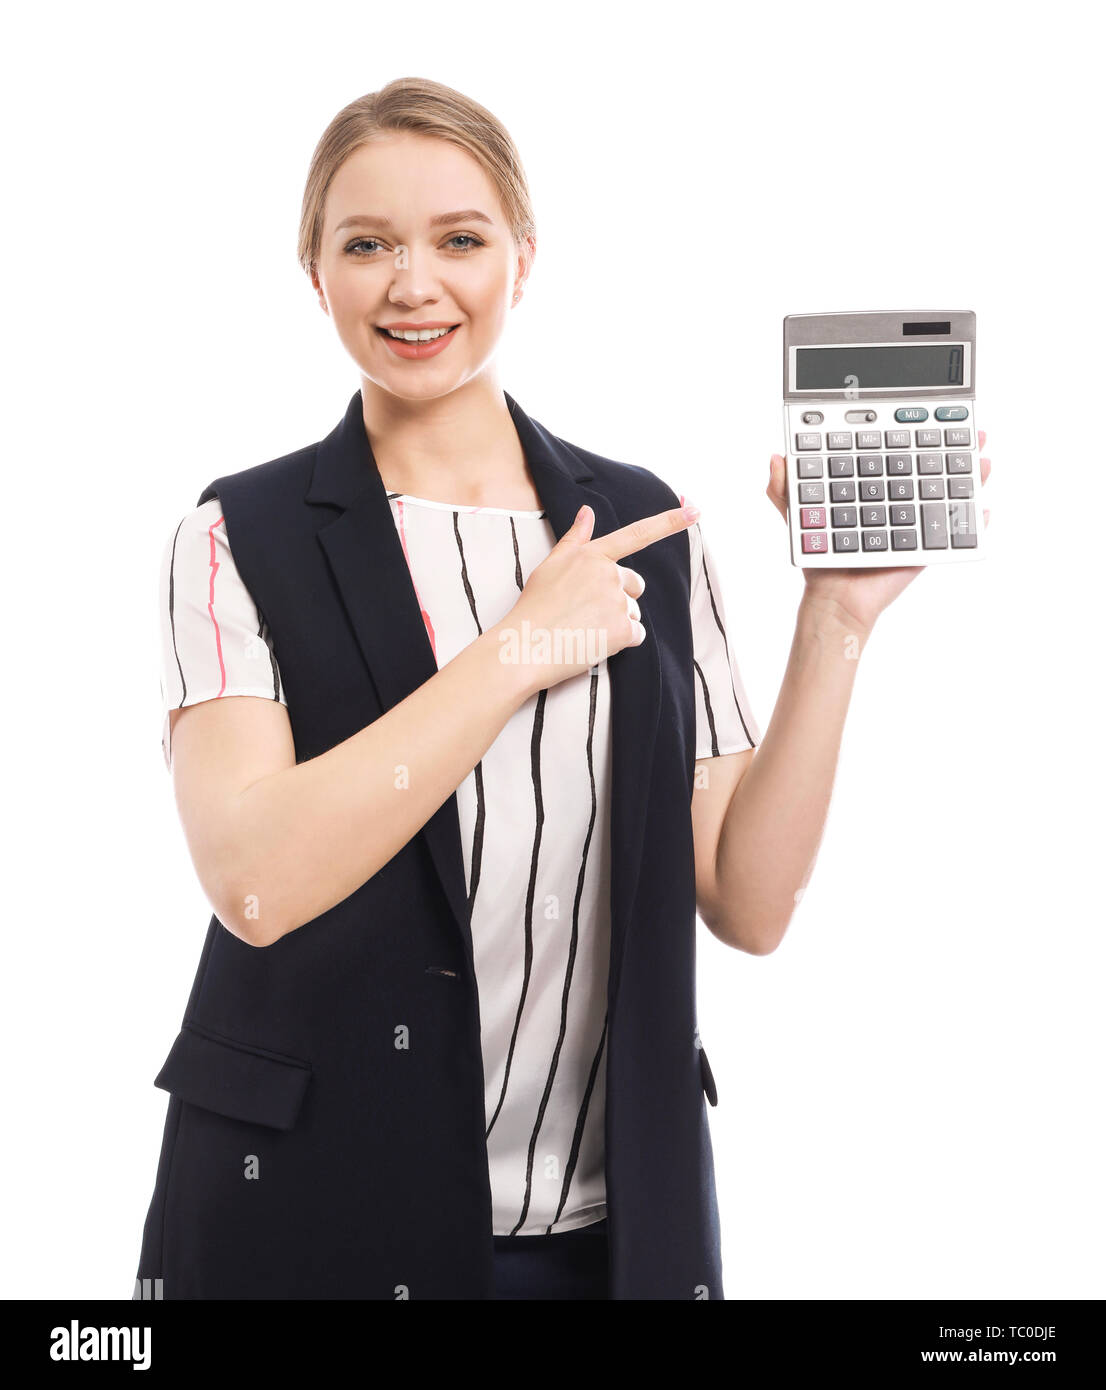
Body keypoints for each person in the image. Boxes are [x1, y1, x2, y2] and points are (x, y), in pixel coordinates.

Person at [135, 77, 992, 1301]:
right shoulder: (235, 535)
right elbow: (254, 881)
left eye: (460, 240)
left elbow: (748, 902)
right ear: (312, 271)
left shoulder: (639, 525)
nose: (411, 283)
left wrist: (836, 614)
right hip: (309, 1224)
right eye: (365, 243)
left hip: (609, 1240)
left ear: (522, 262)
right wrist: (520, 647)